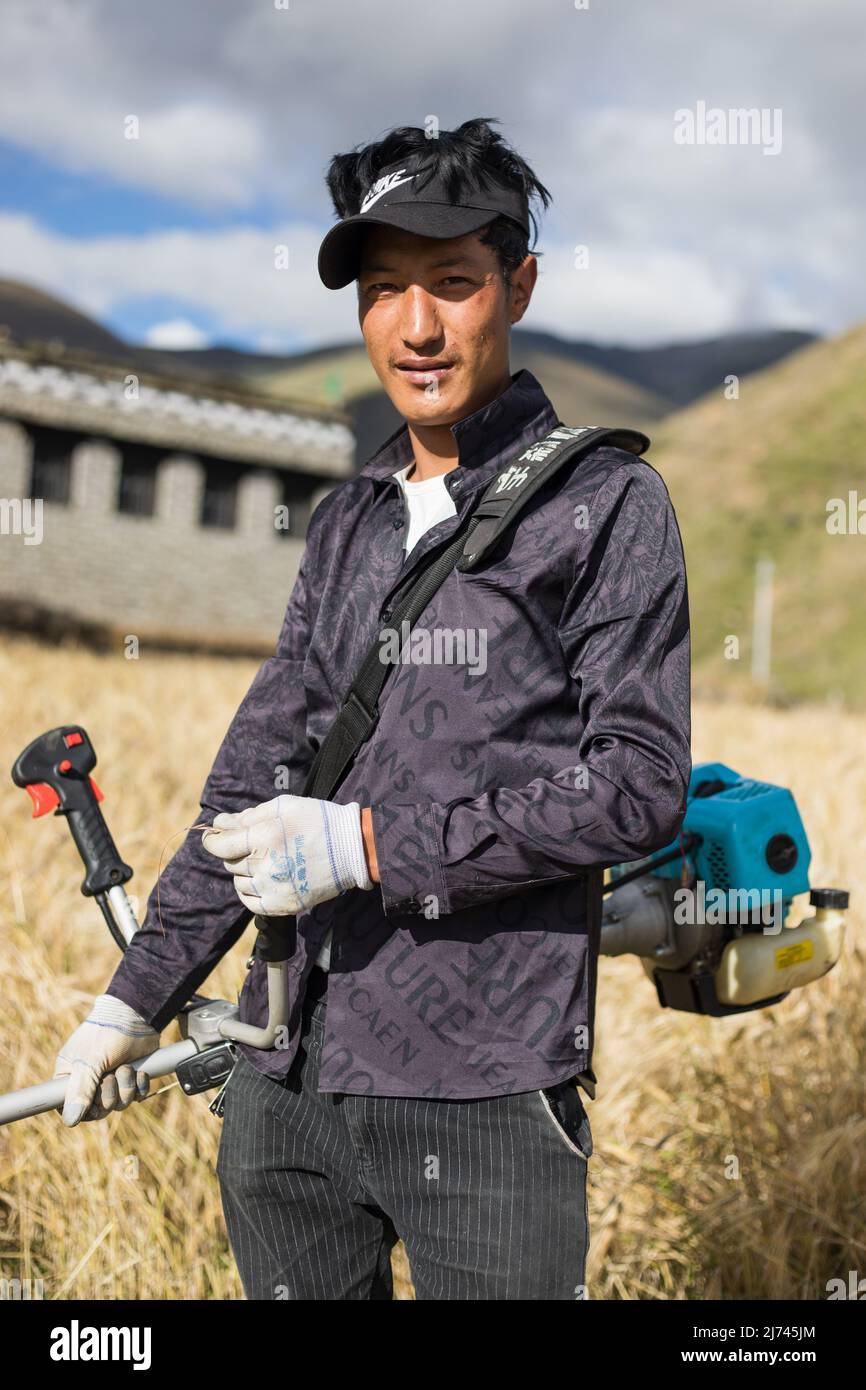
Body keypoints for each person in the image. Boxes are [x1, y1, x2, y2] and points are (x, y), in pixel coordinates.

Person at [54, 116, 691, 1300]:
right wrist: (130, 998)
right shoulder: (347, 518)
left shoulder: (604, 503)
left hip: (487, 1092)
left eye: (451, 283)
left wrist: (361, 844)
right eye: (385, 288)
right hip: (283, 1073)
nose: (415, 325)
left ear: (518, 284)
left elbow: (636, 784)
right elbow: (251, 782)